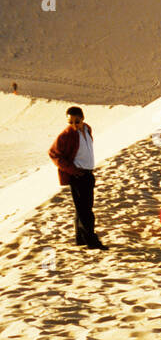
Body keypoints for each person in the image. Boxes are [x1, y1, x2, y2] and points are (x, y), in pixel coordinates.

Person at [48, 106, 105, 249]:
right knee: (85, 211)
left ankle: (80, 239)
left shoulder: (87, 129)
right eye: (70, 122)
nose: (74, 125)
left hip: (88, 173)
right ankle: (92, 241)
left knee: (82, 209)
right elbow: (53, 153)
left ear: (83, 118)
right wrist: (70, 169)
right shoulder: (67, 134)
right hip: (77, 175)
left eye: (77, 121)